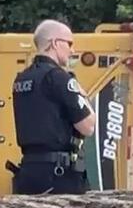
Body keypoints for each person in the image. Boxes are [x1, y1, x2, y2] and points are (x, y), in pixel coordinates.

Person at [11, 19, 96, 194]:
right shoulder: (58, 78)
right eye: (69, 43)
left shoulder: (21, 79)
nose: (72, 50)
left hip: (28, 172)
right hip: (58, 175)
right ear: (55, 43)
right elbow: (88, 127)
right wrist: (81, 93)